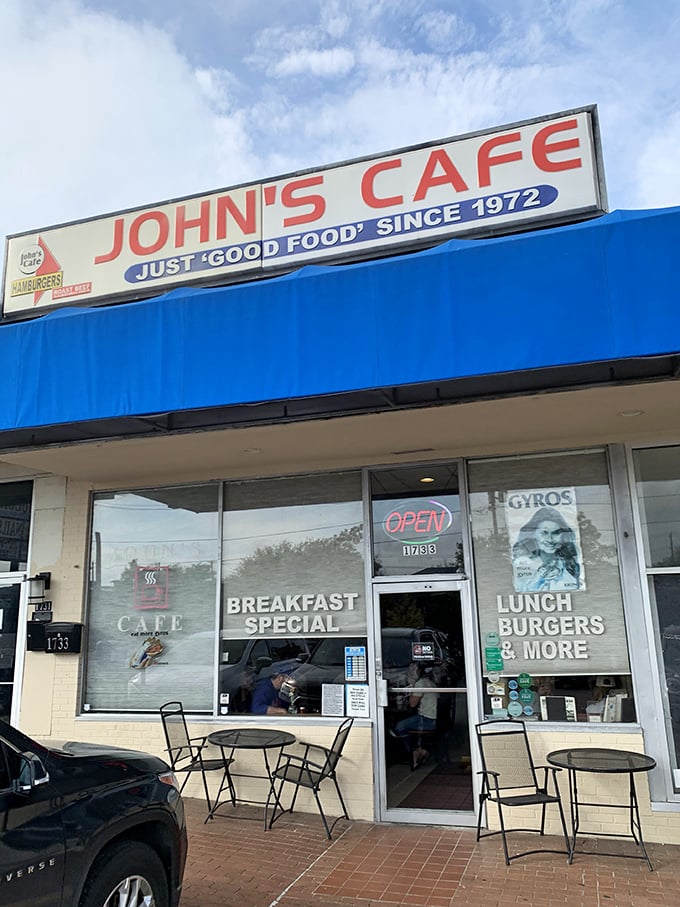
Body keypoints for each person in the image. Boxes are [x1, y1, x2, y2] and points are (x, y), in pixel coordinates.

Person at [511, 506, 583, 592]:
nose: (550, 539)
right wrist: (538, 577)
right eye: (544, 533)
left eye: (556, 533)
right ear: (533, 534)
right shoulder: (522, 565)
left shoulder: (570, 563)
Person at [391, 664, 438, 769]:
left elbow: (412, 704)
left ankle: (415, 750)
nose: (409, 673)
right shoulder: (431, 682)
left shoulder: (420, 684)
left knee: (398, 727)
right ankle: (420, 750)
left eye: (411, 671)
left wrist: (410, 692)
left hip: (425, 719)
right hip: (433, 719)